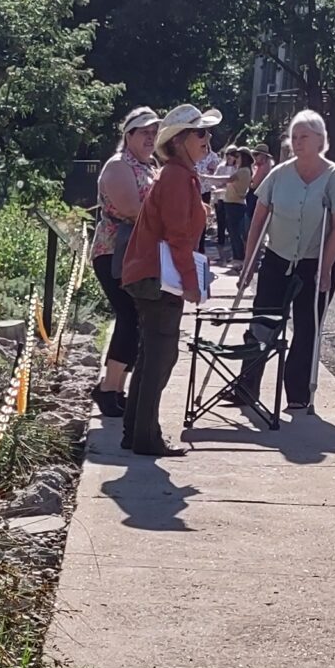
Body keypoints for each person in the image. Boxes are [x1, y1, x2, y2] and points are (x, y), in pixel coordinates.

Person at [234, 110, 335, 414]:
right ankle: (247, 386)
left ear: (320, 140)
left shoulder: (334, 175)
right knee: (263, 322)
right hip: (278, 256)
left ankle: (298, 393)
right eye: (294, 136)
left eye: (304, 137)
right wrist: (248, 263)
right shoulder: (280, 173)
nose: (297, 142)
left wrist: (325, 270)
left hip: (317, 258)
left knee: (306, 326)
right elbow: (259, 217)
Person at [118, 102, 218, 457]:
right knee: (160, 356)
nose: (207, 139)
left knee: (152, 356)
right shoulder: (178, 177)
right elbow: (178, 236)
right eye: (200, 132)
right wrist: (191, 282)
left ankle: (136, 432)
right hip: (157, 278)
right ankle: (146, 437)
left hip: (150, 275)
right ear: (179, 140)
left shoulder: (178, 175)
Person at [90, 107, 158, 418]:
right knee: (130, 315)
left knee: (137, 319)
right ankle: (108, 390)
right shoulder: (118, 166)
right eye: (143, 131)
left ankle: (115, 387)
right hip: (114, 252)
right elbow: (132, 209)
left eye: (153, 132)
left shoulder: (148, 166)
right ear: (128, 135)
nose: (150, 137)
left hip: (136, 252)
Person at [215, 146, 254, 267]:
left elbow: (228, 180)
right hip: (232, 203)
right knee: (233, 232)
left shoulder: (243, 171)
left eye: (237, 156)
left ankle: (239, 258)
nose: (235, 159)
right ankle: (237, 257)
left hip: (235, 204)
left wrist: (205, 177)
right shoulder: (243, 170)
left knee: (235, 232)